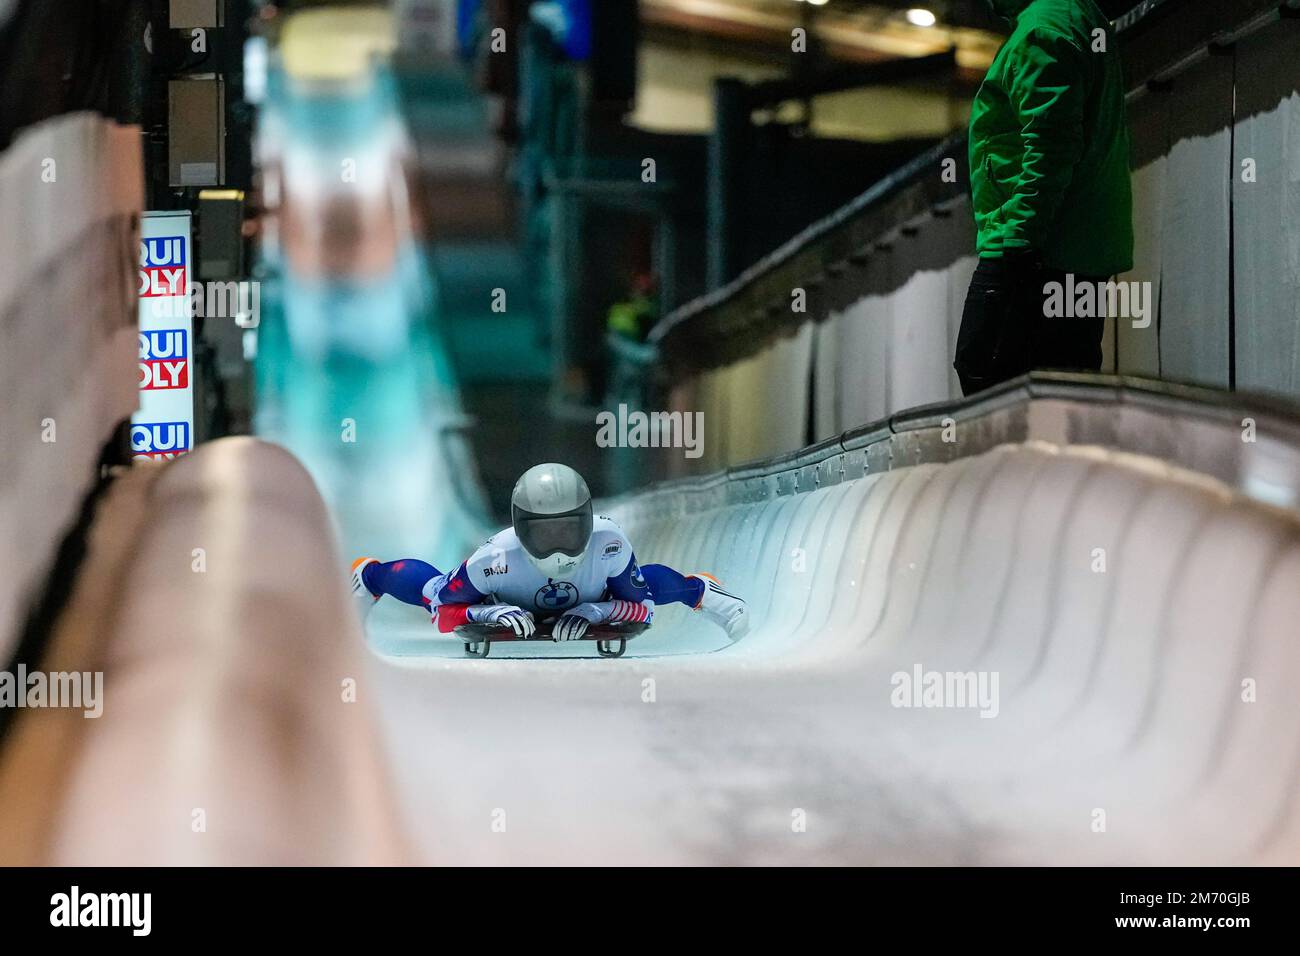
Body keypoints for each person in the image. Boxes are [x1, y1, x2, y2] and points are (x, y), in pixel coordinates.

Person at [349, 462, 750, 641]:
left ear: (587, 519)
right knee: (433, 589)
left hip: (591, 598)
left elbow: (641, 607)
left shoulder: (608, 541)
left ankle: (702, 590)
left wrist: (597, 611)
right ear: (521, 528)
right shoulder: (494, 559)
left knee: (645, 586)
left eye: (568, 528)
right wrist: (483, 611)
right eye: (546, 531)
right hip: (505, 599)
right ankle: (368, 576)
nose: (558, 544)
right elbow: (441, 612)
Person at [954, 0, 1134, 396]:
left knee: (987, 380)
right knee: (1064, 394)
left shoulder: (1043, 30)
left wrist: (1018, 241)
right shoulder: (1077, 15)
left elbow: (1050, 148)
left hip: (1035, 253)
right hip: (1077, 253)